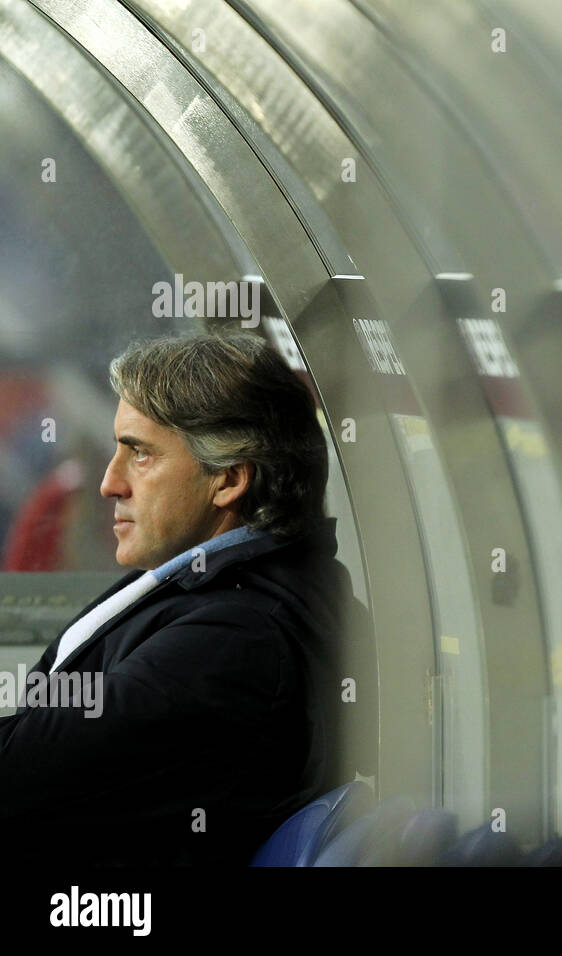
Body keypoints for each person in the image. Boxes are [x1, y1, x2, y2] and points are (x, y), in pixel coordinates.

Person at [0, 332, 376, 866]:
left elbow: (17, 776)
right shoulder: (207, 588)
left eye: (140, 455)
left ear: (227, 479)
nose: (109, 483)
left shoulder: (235, 640)